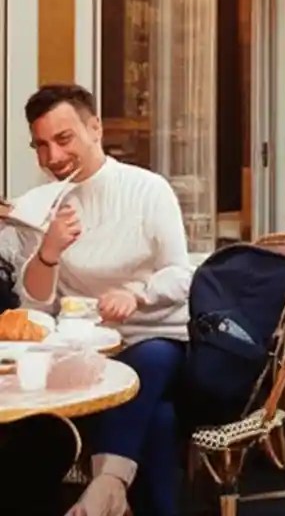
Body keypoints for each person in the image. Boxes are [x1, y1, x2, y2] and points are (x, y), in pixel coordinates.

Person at [16, 84, 191, 516]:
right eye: (41, 145)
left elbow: (179, 273)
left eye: (63, 139)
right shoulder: (38, 205)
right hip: (84, 351)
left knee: (144, 364)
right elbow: (35, 308)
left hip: (157, 337)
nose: (52, 157)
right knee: (160, 418)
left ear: (94, 128)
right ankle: (116, 495)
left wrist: (138, 294)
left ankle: (105, 488)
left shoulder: (147, 189)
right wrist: (49, 251)